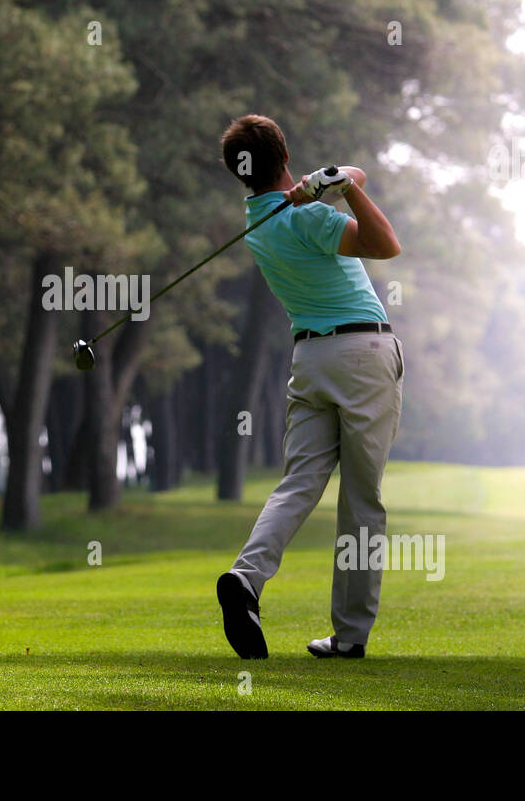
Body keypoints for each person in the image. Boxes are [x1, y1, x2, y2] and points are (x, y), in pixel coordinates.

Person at [215, 114, 403, 660]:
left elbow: (357, 173)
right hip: (363, 354)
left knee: (299, 483)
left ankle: (246, 579)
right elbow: (386, 244)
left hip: (310, 360)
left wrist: (336, 180)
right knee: (362, 500)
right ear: (286, 157)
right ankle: (349, 637)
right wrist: (339, 193)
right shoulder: (310, 219)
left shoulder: (256, 222)